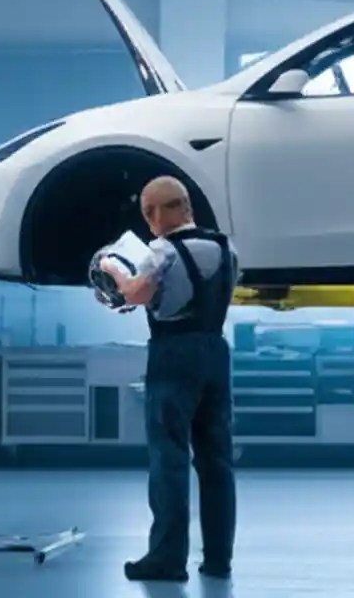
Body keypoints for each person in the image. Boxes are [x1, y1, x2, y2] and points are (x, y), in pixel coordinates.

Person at [99, 176, 238, 582]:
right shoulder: (227, 248)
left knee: (169, 458)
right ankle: (218, 559)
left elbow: (137, 293)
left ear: (155, 213)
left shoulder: (160, 250)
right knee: (216, 461)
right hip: (215, 351)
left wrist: (112, 270)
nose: (148, 220)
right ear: (189, 205)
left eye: (148, 212)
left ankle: (166, 559)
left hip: (173, 354)